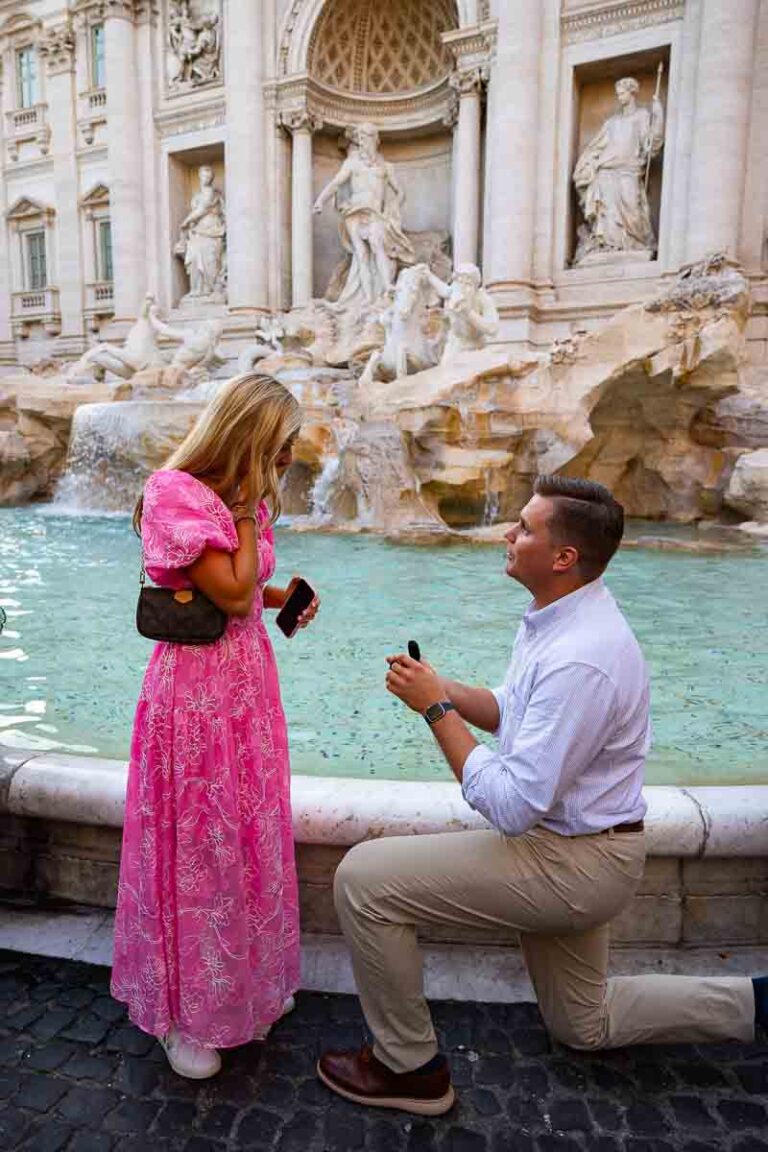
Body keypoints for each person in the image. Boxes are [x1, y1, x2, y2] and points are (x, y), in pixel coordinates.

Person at [317, 475, 762, 1116]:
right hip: (585, 851)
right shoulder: (562, 619)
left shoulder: (583, 655)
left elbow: (513, 805)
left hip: (571, 865)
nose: (508, 533)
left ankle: (409, 1069)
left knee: (363, 879)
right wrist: (442, 684)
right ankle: (759, 1001)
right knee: (584, 1024)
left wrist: (436, 709)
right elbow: (510, 711)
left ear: (563, 558)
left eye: (525, 528)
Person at [111, 372, 320, 1080]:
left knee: (247, 830)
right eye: (283, 444)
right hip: (193, 694)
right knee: (198, 842)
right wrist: (241, 512)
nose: (290, 458)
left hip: (245, 686)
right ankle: (184, 1015)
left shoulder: (244, 502)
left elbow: (238, 587)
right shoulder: (177, 492)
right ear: (252, 437)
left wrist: (281, 597)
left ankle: (247, 988)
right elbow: (228, 594)